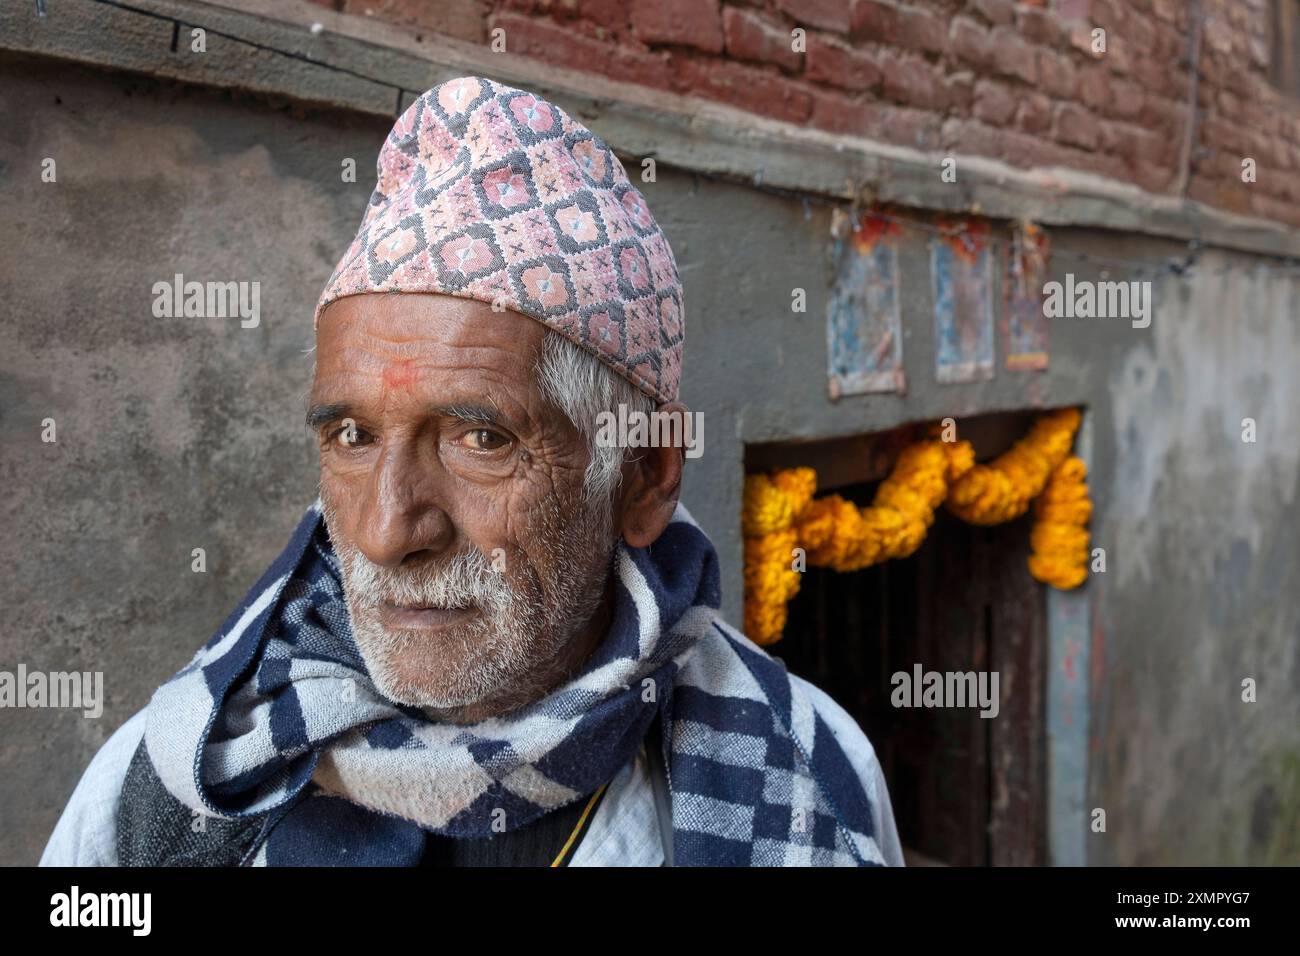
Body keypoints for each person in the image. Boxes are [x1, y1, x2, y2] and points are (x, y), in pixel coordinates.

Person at [42, 76, 903, 867]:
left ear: (643, 478)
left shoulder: (806, 780)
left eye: (481, 439)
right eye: (351, 435)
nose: (386, 533)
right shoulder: (180, 780)